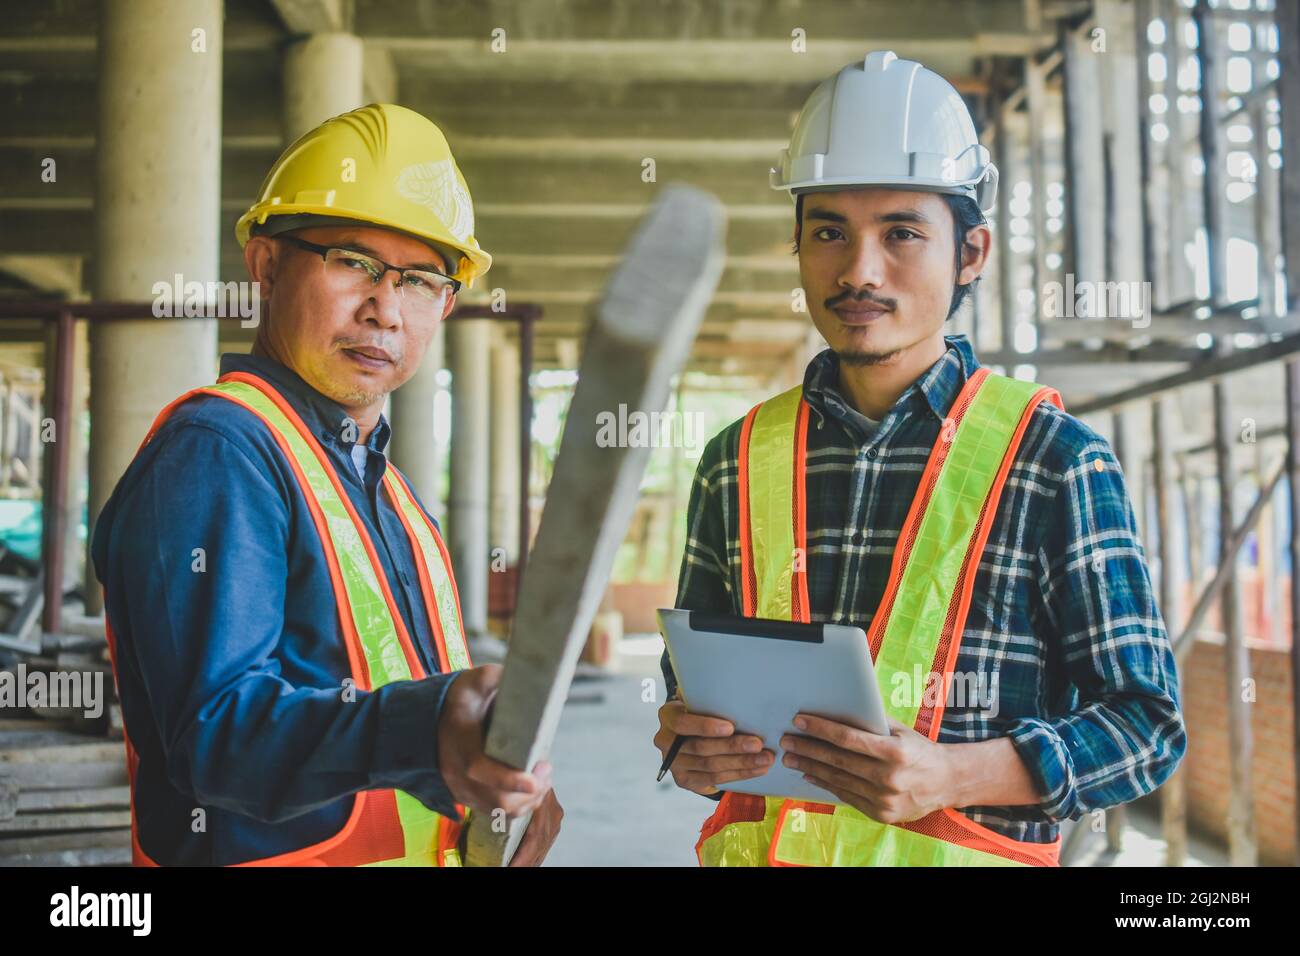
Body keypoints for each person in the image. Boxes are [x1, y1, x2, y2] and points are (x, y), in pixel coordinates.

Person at [653, 52, 1185, 866]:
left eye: (902, 232)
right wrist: (688, 744)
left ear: (971, 253)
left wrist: (953, 775)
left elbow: (1147, 727)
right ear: (795, 244)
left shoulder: (1053, 462)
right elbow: (691, 690)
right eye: (828, 230)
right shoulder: (736, 461)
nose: (859, 270)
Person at [93, 103, 561, 866]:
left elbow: (401, 707)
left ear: (445, 303)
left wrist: (494, 783)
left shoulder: (384, 489)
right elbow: (214, 736)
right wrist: (428, 729)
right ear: (267, 266)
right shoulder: (219, 450)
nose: (384, 309)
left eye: (418, 280)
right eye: (352, 261)